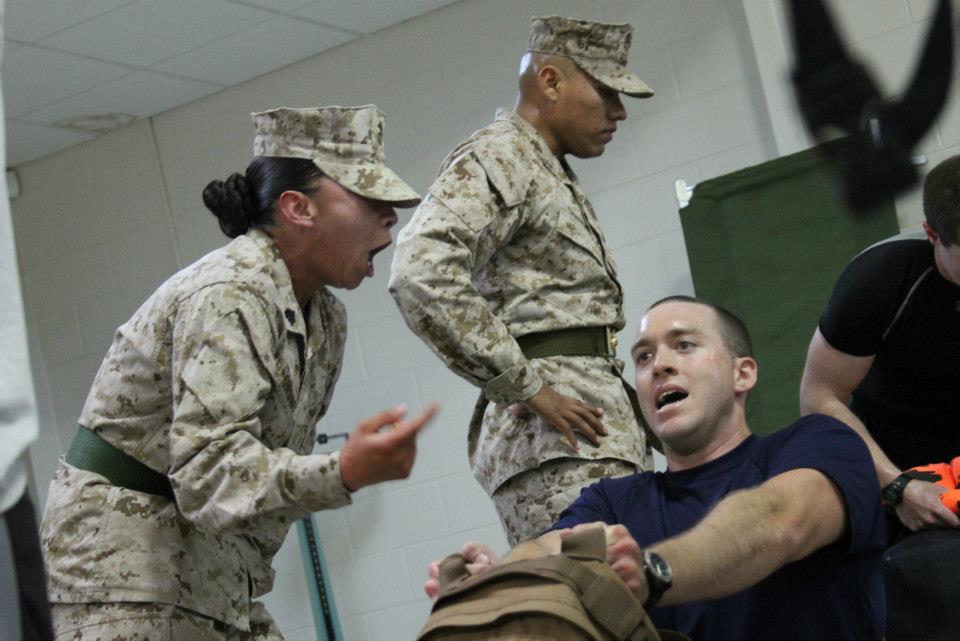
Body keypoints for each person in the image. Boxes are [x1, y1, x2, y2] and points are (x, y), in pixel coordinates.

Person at [40, 105, 437, 640]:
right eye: (370, 199)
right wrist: (342, 471)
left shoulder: (326, 317)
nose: (390, 217)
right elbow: (209, 477)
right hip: (125, 582)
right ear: (297, 207)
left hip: (214, 579)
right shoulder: (230, 291)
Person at [426, 296, 886, 640]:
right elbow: (546, 551)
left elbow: (780, 521)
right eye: (643, 358)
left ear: (742, 373)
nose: (659, 365)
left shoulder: (820, 443)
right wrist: (501, 579)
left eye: (683, 345)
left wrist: (652, 573)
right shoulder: (614, 500)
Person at [389, 15, 657, 547]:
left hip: (585, 430)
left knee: (626, 613)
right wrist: (525, 386)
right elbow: (420, 270)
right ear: (551, 81)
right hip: (556, 442)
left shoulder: (547, 167)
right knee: (586, 614)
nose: (619, 111)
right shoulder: (502, 155)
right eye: (605, 92)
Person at [800, 154, 960, 534]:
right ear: (932, 235)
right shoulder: (878, 282)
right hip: (898, 471)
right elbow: (819, 399)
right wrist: (897, 486)